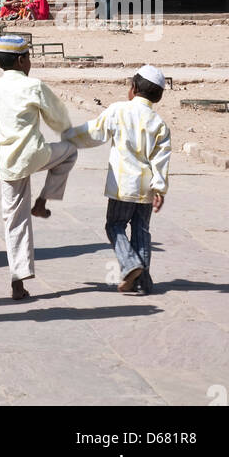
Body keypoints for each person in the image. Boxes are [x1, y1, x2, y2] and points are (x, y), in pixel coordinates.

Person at [0, 32, 77, 300]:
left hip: (6, 162)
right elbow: (60, 120)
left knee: (15, 221)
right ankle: (43, 200)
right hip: (36, 155)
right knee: (70, 152)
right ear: (22, 60)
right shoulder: (34, 86)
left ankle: (18, 279)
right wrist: (67, 132)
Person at [66, 65, 171, 294]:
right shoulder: (159, 123)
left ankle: (130, 265)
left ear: (132, 88)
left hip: (123, 186)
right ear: (159, 96)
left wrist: (69, 136)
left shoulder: (118, 110)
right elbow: (161, 160)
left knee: (115, 225)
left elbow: (95, 132)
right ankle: (143, 281)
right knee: (141, 229)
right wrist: (160, 189)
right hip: (146, 189)